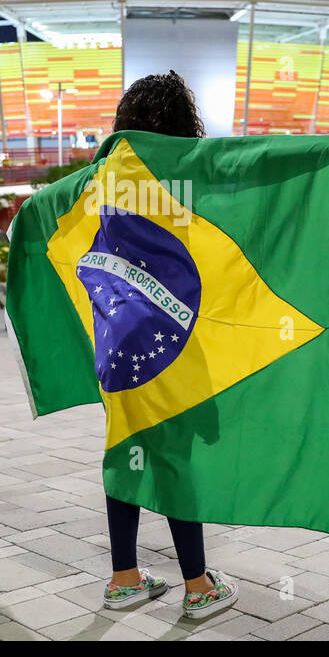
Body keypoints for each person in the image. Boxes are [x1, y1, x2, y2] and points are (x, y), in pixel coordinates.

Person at [94, 70, 237, 619]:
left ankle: (124, 578)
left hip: (114, 333)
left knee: (126, 448)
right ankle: (198, 585)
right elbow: (253, 173)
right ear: (184, 122)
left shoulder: (105, 171)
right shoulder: (189, 174)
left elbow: (48, 210)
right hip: (169, 334)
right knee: (178, 458)